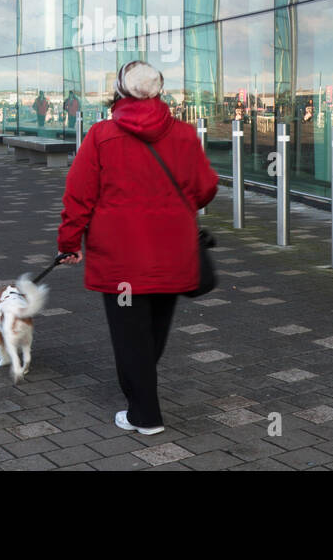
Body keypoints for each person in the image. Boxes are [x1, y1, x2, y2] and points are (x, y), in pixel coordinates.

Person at [57, 61, 218, 435]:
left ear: (120, 92)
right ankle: (142, 396)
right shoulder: (182, 133)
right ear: (159, 92)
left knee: (131, 337)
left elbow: (78, 196)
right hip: (173, 253)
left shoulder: (101, 136)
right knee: (152, 334)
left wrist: (68, 243)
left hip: (122, 260)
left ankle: (144, 414)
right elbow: (207, 186)